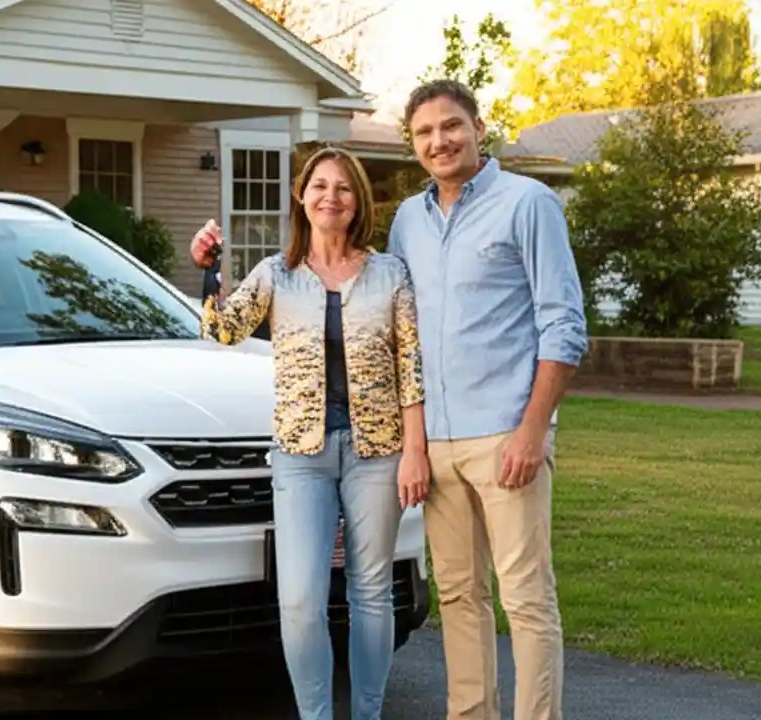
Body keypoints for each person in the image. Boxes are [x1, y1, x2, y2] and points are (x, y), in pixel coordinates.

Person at [189, 146, 429, 720]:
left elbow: (411, 366)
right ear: (302, 196)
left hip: (378, 452)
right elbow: (223, 330)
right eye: (320, 186)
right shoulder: (277, 274)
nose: (331, 196)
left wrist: (414, 452)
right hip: (301, 453)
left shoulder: (389, 273)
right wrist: (207, 269)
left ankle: (367, 714)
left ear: (357, 202)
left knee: (371, 593)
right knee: (299, 600)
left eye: (343, 188)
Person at [386, 79, 589, 720]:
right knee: (458, 597)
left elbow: (564, 324)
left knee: (526, 597)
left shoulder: (527, 203)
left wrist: (533, 430)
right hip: (435, 445)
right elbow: (399, 331)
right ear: (413, 143)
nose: (439, 140)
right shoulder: (407, 221)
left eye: (451, 126)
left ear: (478, 127)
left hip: (506, 434)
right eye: (424, 132)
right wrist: (412, 446)